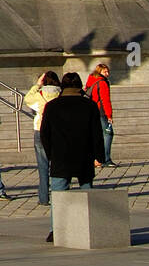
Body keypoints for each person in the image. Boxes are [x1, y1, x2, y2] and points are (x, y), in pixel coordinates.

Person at [39, 72, 105, 242]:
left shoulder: (52, 106)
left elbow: (44, 134)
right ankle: (90, 227)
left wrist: (51, 153)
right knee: (87, 192)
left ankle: (56, 230)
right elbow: (97, 133)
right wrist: (99, 156)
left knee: (59, 196)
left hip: (60, 157)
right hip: (84, 155)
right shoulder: (89, 105)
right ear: (80, 86)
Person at [24, 70, 62, 205]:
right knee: (58, 164)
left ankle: (44, 197)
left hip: (41, 130)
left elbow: (27, 99)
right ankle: (60, 193)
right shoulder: (61, 93)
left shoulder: (39, 94)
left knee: (43, 166)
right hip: (58, 131)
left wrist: (37, 85)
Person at [85, 63, 115, 166]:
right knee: (108, 134)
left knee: (97, 135)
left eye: (108, 71)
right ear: (99, 72)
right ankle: (105, 159)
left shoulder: (91, 80)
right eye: (105, 72)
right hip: (101, 112)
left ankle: (96, 159)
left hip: (92, 111)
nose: (107, 74)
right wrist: (109, 115)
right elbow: (105, 100)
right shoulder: (102, 82)